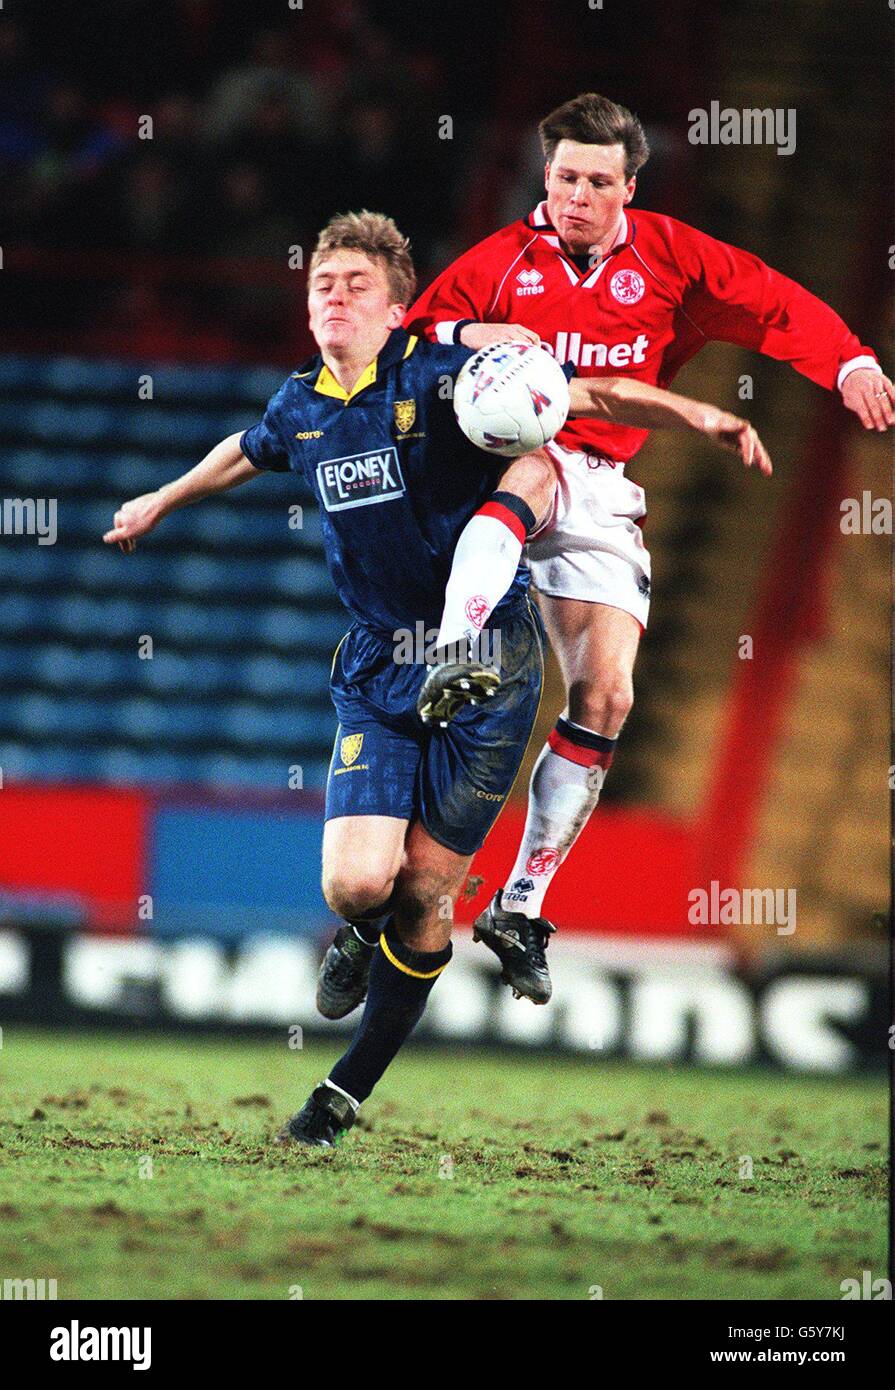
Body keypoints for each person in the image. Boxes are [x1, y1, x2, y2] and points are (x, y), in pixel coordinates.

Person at [104, 210, 770, 1146]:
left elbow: (583, 395)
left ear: (397, 306)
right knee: (353, 886)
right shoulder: (300, 402)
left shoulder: (446, 375)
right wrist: (161, 501)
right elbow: (246, 451)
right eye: (321, 284)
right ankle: (357, 933)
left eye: (354, 284)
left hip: (487, 663)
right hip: (379, 660)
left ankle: (341, 1095)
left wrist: (693, 411)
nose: (334, 296)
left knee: (424, 889)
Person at [405, 91, 894, 1003]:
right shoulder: (497, 260)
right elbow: (405, 346)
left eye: (596, 181)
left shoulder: (673, 258)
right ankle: (456, 645)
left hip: (602, 484)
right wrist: (468, 332)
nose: (575, 196)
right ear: (542, 176)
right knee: (531, 479)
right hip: (498, 470)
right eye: (562, 178)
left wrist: (850, 361)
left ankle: (520, 903)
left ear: (630, 185)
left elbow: (773, 303)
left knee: (608, 693)